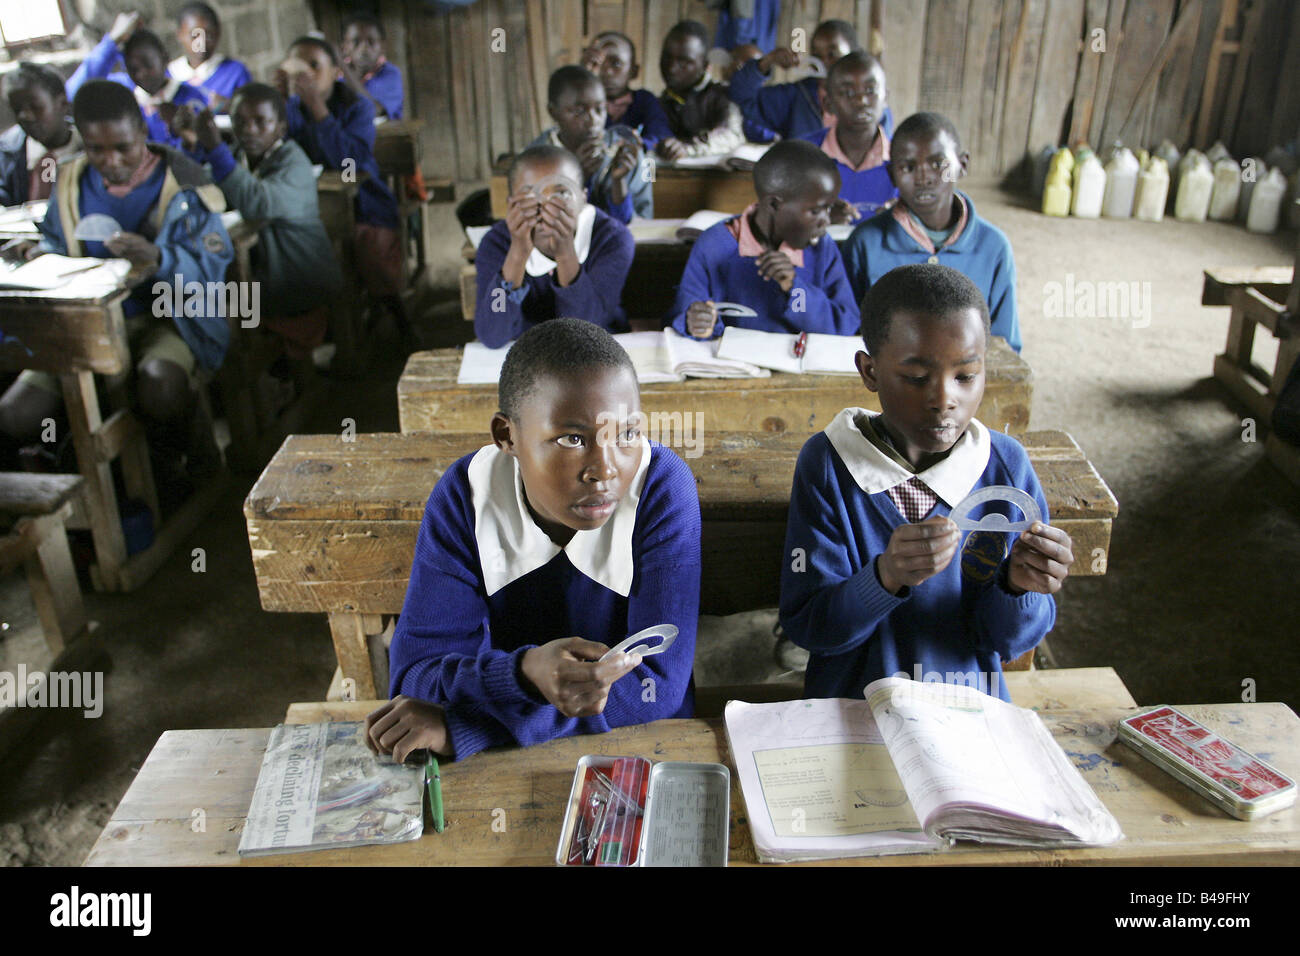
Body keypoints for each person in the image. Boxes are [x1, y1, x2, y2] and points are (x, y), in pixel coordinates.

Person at [366, 319, 702, 763]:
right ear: (508, 436)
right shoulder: (467, 497)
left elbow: (655, 686)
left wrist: (470, 725)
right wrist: (523, 674)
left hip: (640, 743)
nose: (604, 469)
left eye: (626, 434)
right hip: (517, 759)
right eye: (572, 438)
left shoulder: (660, 487)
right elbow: (413, 677)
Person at [779, 264, 1072, 701]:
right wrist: (885, 576)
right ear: (870, 372)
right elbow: (811, 628)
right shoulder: (828, 465)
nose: (943, 399)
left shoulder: (1004, 469)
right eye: (917, 378)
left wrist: (1019, 587)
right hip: (854, 707)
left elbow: (1009, 641)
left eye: (966, 376)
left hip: (967, 707)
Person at [0, 80, 231, 484]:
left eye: (123, 147)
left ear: (143, 131)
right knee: (16, 413)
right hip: (82, 328)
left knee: (160, 388)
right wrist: (41, 253)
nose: (110, 160)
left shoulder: (183, 184)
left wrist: (161, 258)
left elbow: (213, 268)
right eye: (96, 149)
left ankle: (189, 463)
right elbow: (58, 238)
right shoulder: (71, 181)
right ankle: (85, 481)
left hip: (168, 318)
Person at [174, 83, 342, 365]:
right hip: (265, 277)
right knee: (197, 301)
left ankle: (257, 378)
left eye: (261, 122)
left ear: (281, 127)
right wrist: (193, 143)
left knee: (218, 311)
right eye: (240, 121)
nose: (249, 129)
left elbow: (255, 201)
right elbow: (207, 187)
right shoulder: (240, 155)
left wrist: (215, 149)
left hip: (299, 280)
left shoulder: (294, 162)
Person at [843, 112, 1021, 352]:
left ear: (962, 165)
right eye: (908, 167)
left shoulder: (994, 247)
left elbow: (1005, 345)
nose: (923, 178)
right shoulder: (865, 242)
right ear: (891, 175)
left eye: (938, 164)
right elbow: (848, 330)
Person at [670, 139, 858, 338]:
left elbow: (844, 326)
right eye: (816, 211)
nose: (826, 221)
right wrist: (698, 322)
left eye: (829, 208)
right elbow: (684, 313)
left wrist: (794, 288)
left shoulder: (821, 247)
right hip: (734, 366)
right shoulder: (715, 245)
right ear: (775, 205)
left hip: (801, 366)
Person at [275, 36, 405, 307]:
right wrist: (277, 104)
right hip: (311, 206)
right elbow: (283, 156)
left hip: (366, 205)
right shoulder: (291, 110)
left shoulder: (359, 108)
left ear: (336, 72)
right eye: (299, 67)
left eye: (315, 66)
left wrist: (318, 109)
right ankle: (326, 322)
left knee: (369, 247)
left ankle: (393, 310)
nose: (306, 75)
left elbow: (349, 163)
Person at [474, 145, 633, 348]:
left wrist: (565, 252)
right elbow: (492, 333)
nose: (546, 206)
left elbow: (585, 333)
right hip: (527, 356)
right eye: (530, 194)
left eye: (561, 194)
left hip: (596, 357)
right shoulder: (497, 243)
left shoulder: (612, 239)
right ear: (511, 202)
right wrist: (517, 253)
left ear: (584, 198)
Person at [728, 19, 892, 142]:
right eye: (816, 56)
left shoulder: (871, 104)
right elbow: (740, 97)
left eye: (832, 54)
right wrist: (766, 62)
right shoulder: (796, 96)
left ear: (853, 53)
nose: (823, 63)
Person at [529, 66, 652, 223]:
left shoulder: (627, 153)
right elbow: (538, 225)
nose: (594, 121)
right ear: (553, 112)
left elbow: (642, 223)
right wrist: (577, 178)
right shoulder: (536, 159)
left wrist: (618, 183)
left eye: (600, 109)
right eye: (579, 111)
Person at [67, 15, 207, 149]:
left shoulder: (191, 98)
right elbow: (77, 92)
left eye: (148, 64)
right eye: (133, 69)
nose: (141, 74)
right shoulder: (124, 94)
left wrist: (179, 132)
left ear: (165, 58)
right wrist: (112, 41)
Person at [799, 51, 895, 220]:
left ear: (885, 97)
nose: (861, 101)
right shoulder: (802, 155)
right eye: (848, 93)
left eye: (870, 90)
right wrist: (820, 217)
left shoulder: (903, 158)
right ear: (828, 104)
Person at [656, 20, 746, 161]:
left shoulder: (722, 96)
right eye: (667, 57)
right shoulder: (662, 102)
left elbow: (731, 136)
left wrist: (688, 148)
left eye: (684, 61)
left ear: (705, 65)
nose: (672, 68)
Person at [1, 62, 81, 206]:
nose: (25, 116)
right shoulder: (6, 154)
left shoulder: (93, 146)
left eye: (35, 107)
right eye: (18, 109)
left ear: (62, 103)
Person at [582, 30, 673, 152]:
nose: (607, 72)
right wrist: (582, 78)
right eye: (598, 64)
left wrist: (639, 146)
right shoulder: (584, 104)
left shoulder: (644, 101)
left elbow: (660, 134)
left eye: (617, 64)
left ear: (634, 71)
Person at [168, 3, 253, 112]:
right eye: (194, 36)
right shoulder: (169, 76)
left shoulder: (235, 73)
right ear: (179, 35)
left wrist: (232, 107)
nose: (201, 42)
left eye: (208, 35)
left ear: (218, 34)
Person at [339, 12, 404, 120]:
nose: (364, 48)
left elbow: (373, 111)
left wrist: (345, 69)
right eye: (356, 42)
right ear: (344, 47)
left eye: (371, 42)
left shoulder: (389, 74)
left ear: (383, 46)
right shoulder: (335, 76)